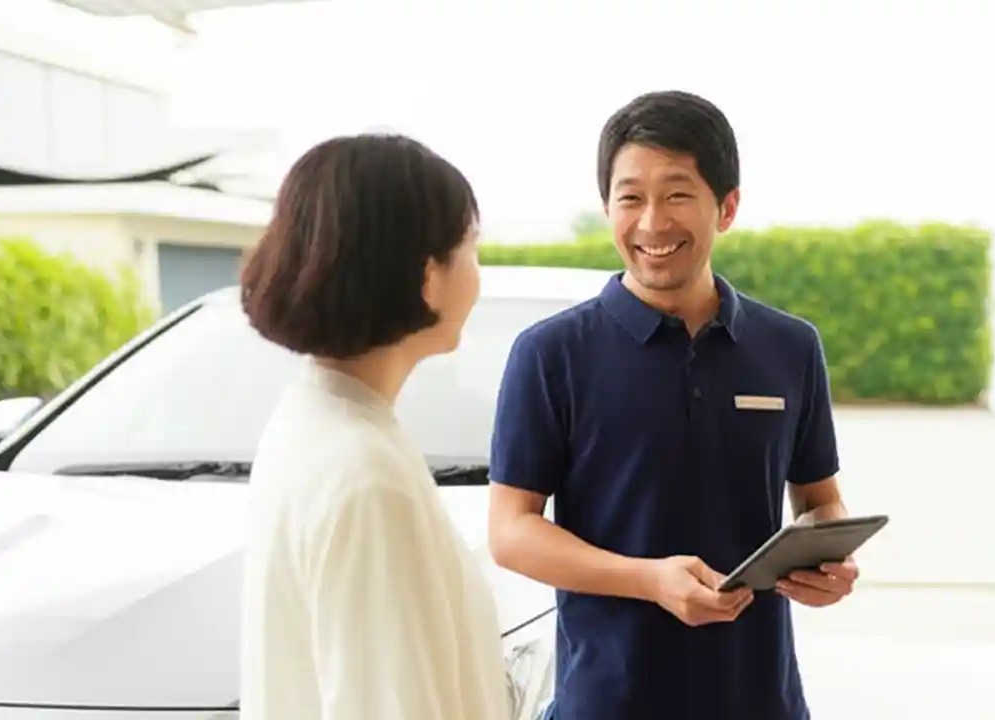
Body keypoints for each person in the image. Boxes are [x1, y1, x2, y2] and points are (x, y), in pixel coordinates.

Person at [487, 90, 858, 720]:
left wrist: (829, 564)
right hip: (608, 701)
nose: (652, 223)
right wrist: (648, 580)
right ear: (607, 207)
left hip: (760, 700)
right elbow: (511, 531)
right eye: (630, 197)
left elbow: (820, 501)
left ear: (727, 206)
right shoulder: (550, 353)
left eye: (678, 193)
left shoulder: (790, 347)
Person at [238, 133, 508, 720]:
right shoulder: (364, 475)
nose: (476, 274)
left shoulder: (315, 424)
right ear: (426, 274)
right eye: (470, 249)